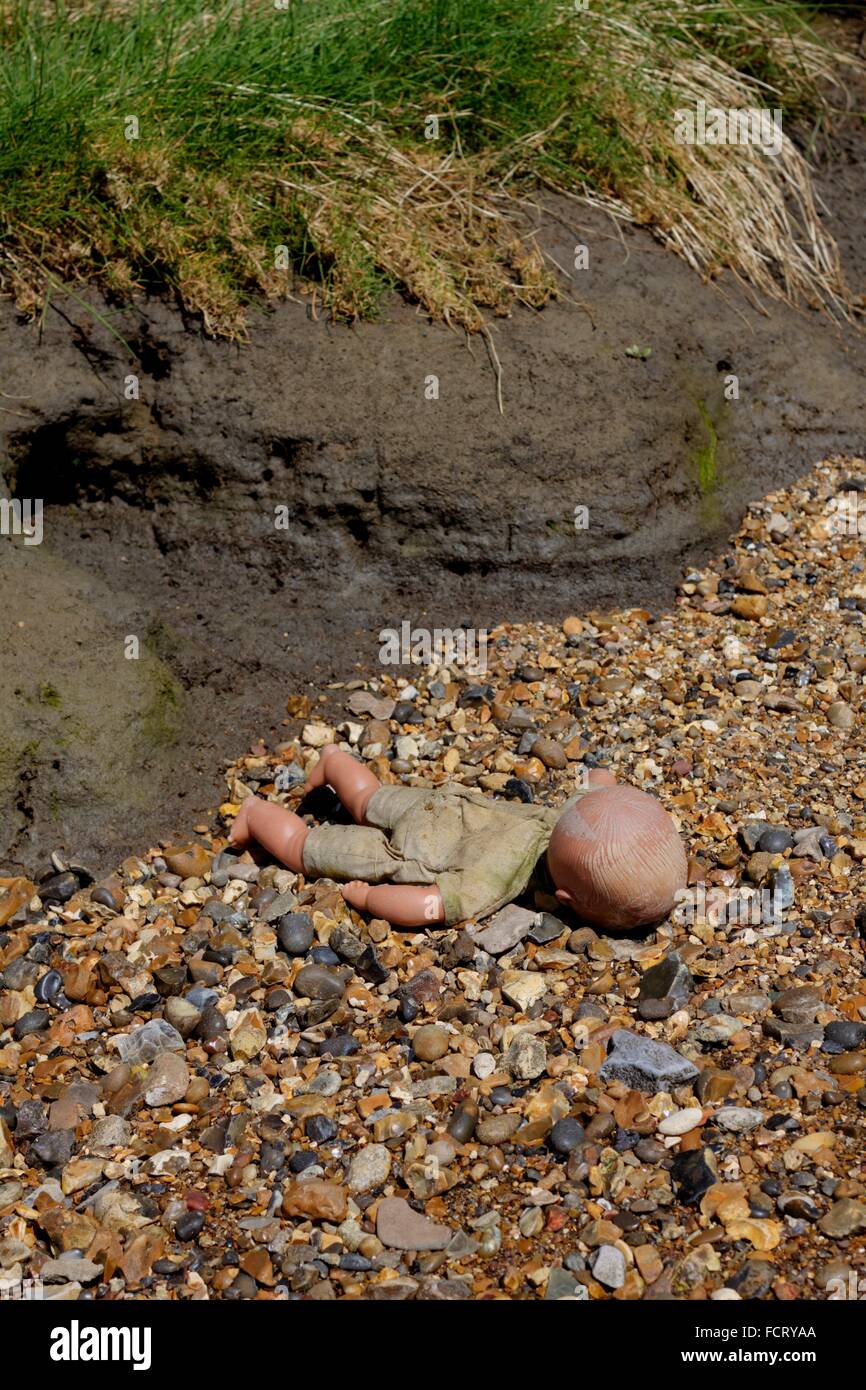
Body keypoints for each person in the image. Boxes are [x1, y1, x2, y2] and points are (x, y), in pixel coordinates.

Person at [229, 744, 687, 930]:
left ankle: (333, 760)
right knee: (303, 849)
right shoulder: (494, 884)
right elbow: (426, 905)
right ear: (564, 898)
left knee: (368, 797)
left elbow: (599, 785)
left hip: (442, 806)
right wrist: (368, 898)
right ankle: (254, 812)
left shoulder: (566, 814)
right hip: (401, 853)